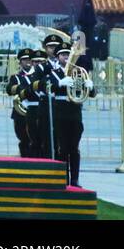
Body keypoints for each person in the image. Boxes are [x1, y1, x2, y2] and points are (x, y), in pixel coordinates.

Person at [44, 38, 94, 187]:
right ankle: (62, 178)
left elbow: (90, 94)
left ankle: (75, 179)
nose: (66, 57)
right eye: (63, 55)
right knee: (62, 148)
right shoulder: (54, 73)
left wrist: (89, 86)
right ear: (58, 57)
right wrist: (59, 83)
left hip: (75, 113)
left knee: (74, 148)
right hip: (61, 114)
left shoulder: (78, 73)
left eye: (68, 54)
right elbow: (46, 88)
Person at [7, 49, 38, 157]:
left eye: (29, 59)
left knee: (37, 140)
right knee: (23, 139)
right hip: (21, 113)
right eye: (24, 60)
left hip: (36, 111)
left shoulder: (38, 75)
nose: (27, 62)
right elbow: (9, 90)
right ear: (20, 62)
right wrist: (23, 89)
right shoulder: (16, 77)